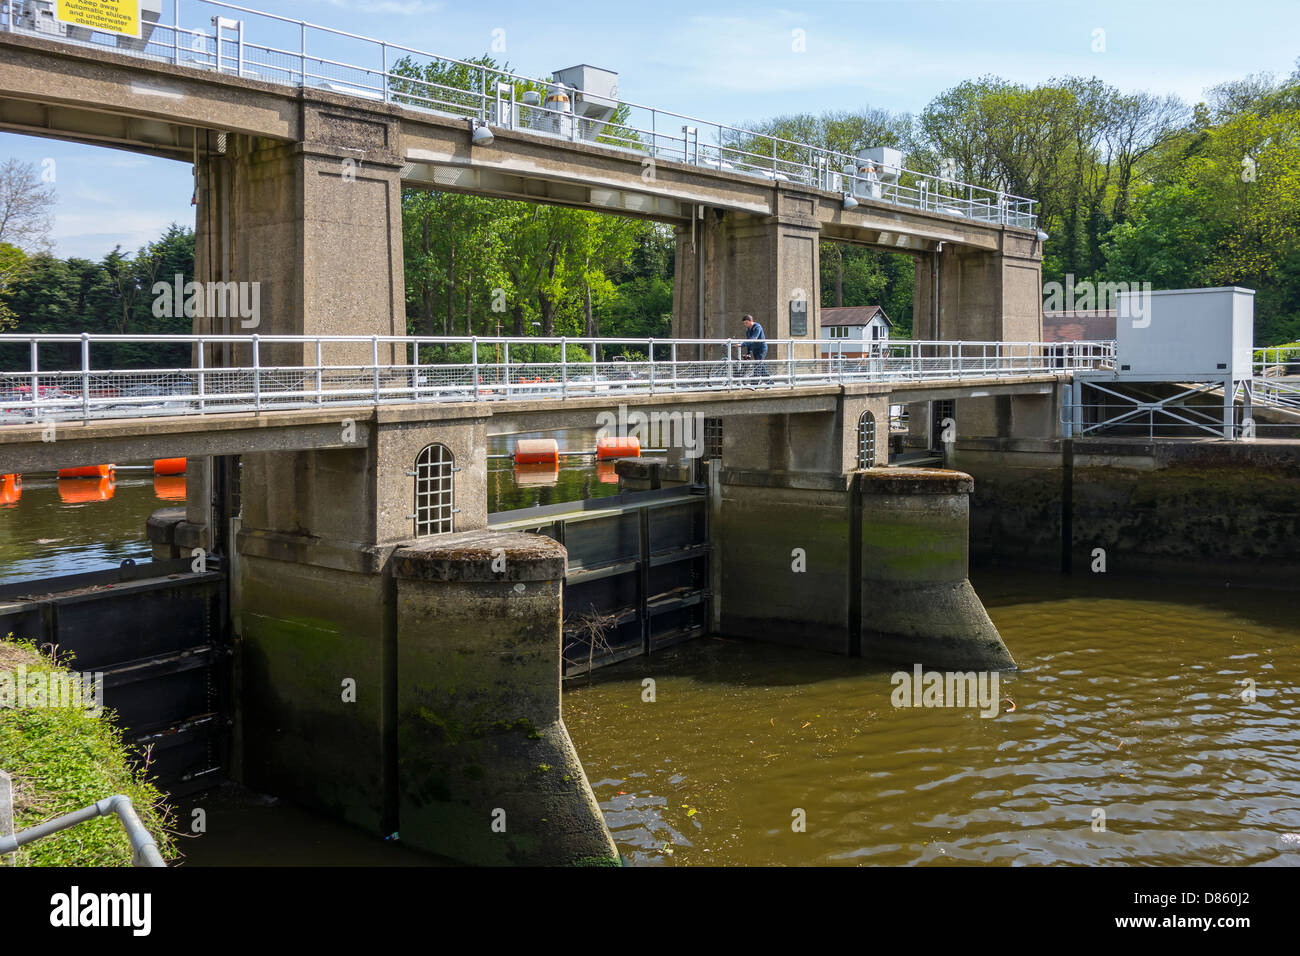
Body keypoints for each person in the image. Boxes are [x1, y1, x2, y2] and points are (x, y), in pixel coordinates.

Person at [741, 314, 770, 386]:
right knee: (760, 366)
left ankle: (754, 384)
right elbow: (749, 341)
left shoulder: (757, 327)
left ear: (751, 321)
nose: (745, 324)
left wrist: (742, 344)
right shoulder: (748, 329)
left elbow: (754, 338)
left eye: (746, 323)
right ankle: (770, 383)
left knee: (757, 366)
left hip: (761, 348)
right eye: (744, 323)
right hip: (755, 349)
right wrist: (748, 353)